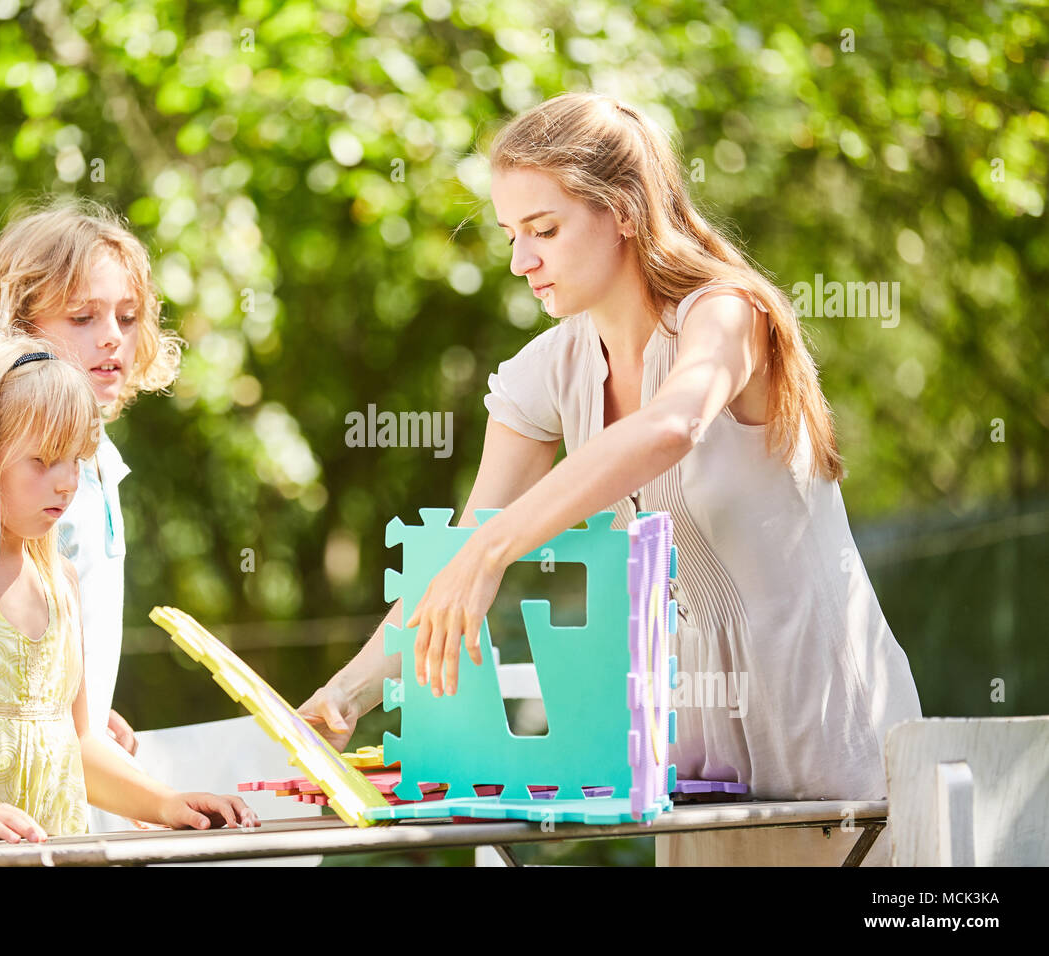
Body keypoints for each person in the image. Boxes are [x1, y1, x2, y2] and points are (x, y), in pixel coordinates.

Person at [300, 92, 921, 865]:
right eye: (511, 235)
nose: (522, 260)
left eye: (544, 230)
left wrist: (495, 552)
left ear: (623, 211)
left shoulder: (726, 314)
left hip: (829, 735)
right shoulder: (546, 373)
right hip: (697, 771)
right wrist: (346, 694)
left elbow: (671, 426)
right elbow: (457, 556)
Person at [0, 331, 256, 849]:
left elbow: (80, 744)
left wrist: (166, 802)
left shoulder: (61, 582)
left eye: (76, 460)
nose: (67, 482)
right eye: (42, 460)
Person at [0, 197, 182, 831]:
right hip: (10, 802)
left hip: (72, 773)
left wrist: (91, 705)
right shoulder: (24, 480)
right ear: (20, 330)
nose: (112, 335)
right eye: (82, 316)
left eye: (128, 315)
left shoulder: (98, 462)